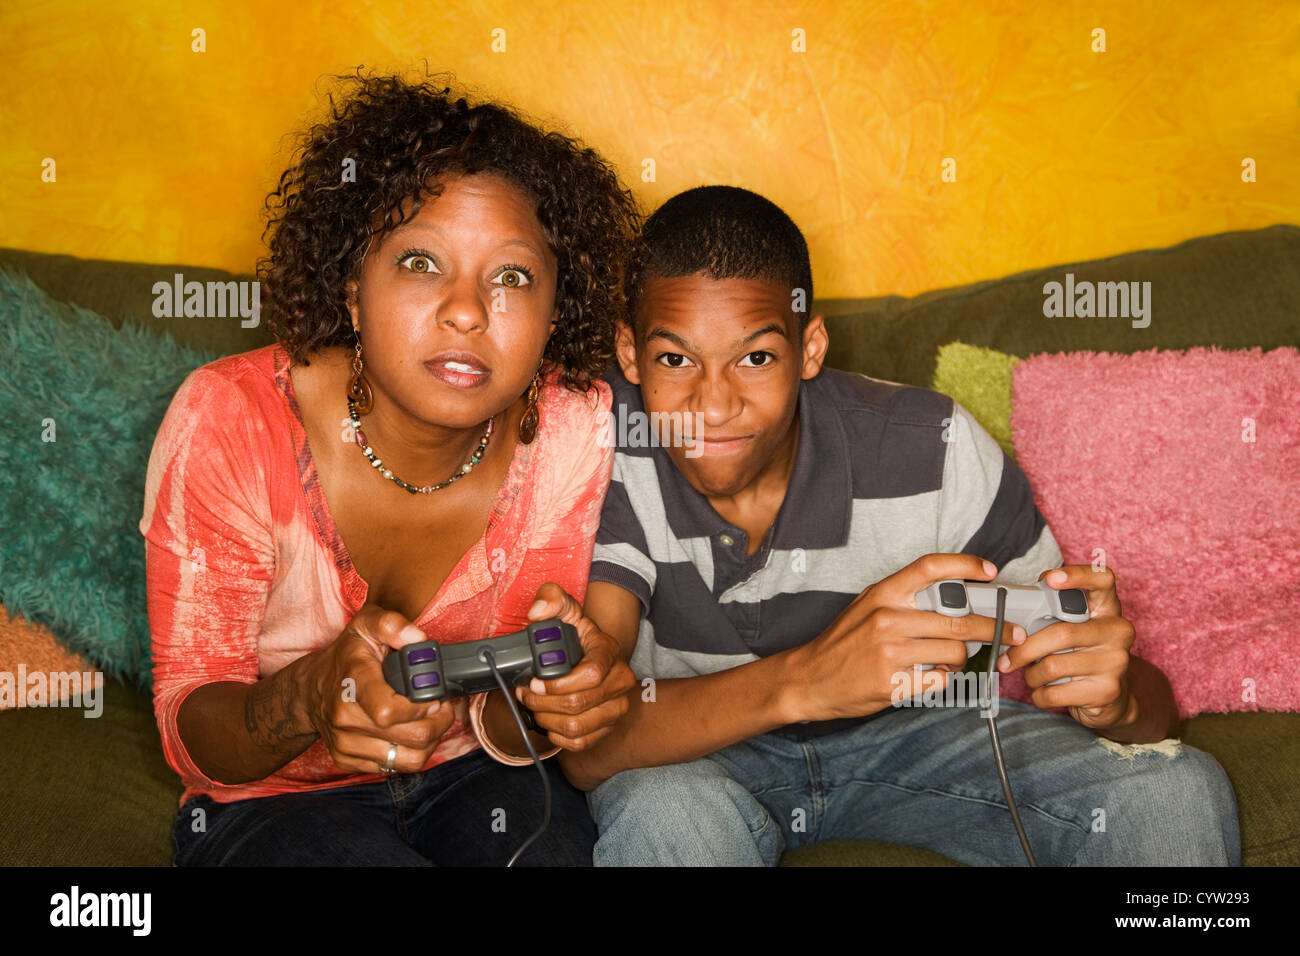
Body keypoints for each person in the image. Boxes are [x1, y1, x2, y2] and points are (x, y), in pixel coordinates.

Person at [545, 184, 1241, 866]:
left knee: (1175, 790)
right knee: (667, 815)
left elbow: (1142, 707)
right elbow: (590, 748)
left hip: (917, 737)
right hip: (694, 754)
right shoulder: (598, 446)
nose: (715, 406)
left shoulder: (935, 447)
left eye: (756, 357)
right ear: (630, 354)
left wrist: (1117, 701)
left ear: (810, 347)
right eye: (675, 360)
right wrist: (807, 681)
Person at [138, 71, 640, 866]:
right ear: (351, 286)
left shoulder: (570, 426)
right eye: (419, 261)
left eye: (512, 277)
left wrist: (560, 698)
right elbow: (191, 733)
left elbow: (505, 723)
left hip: (472, 776)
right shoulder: (230, 419)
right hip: (274, 801)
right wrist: (311, 695)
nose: (467, 310)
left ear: (555, 313)